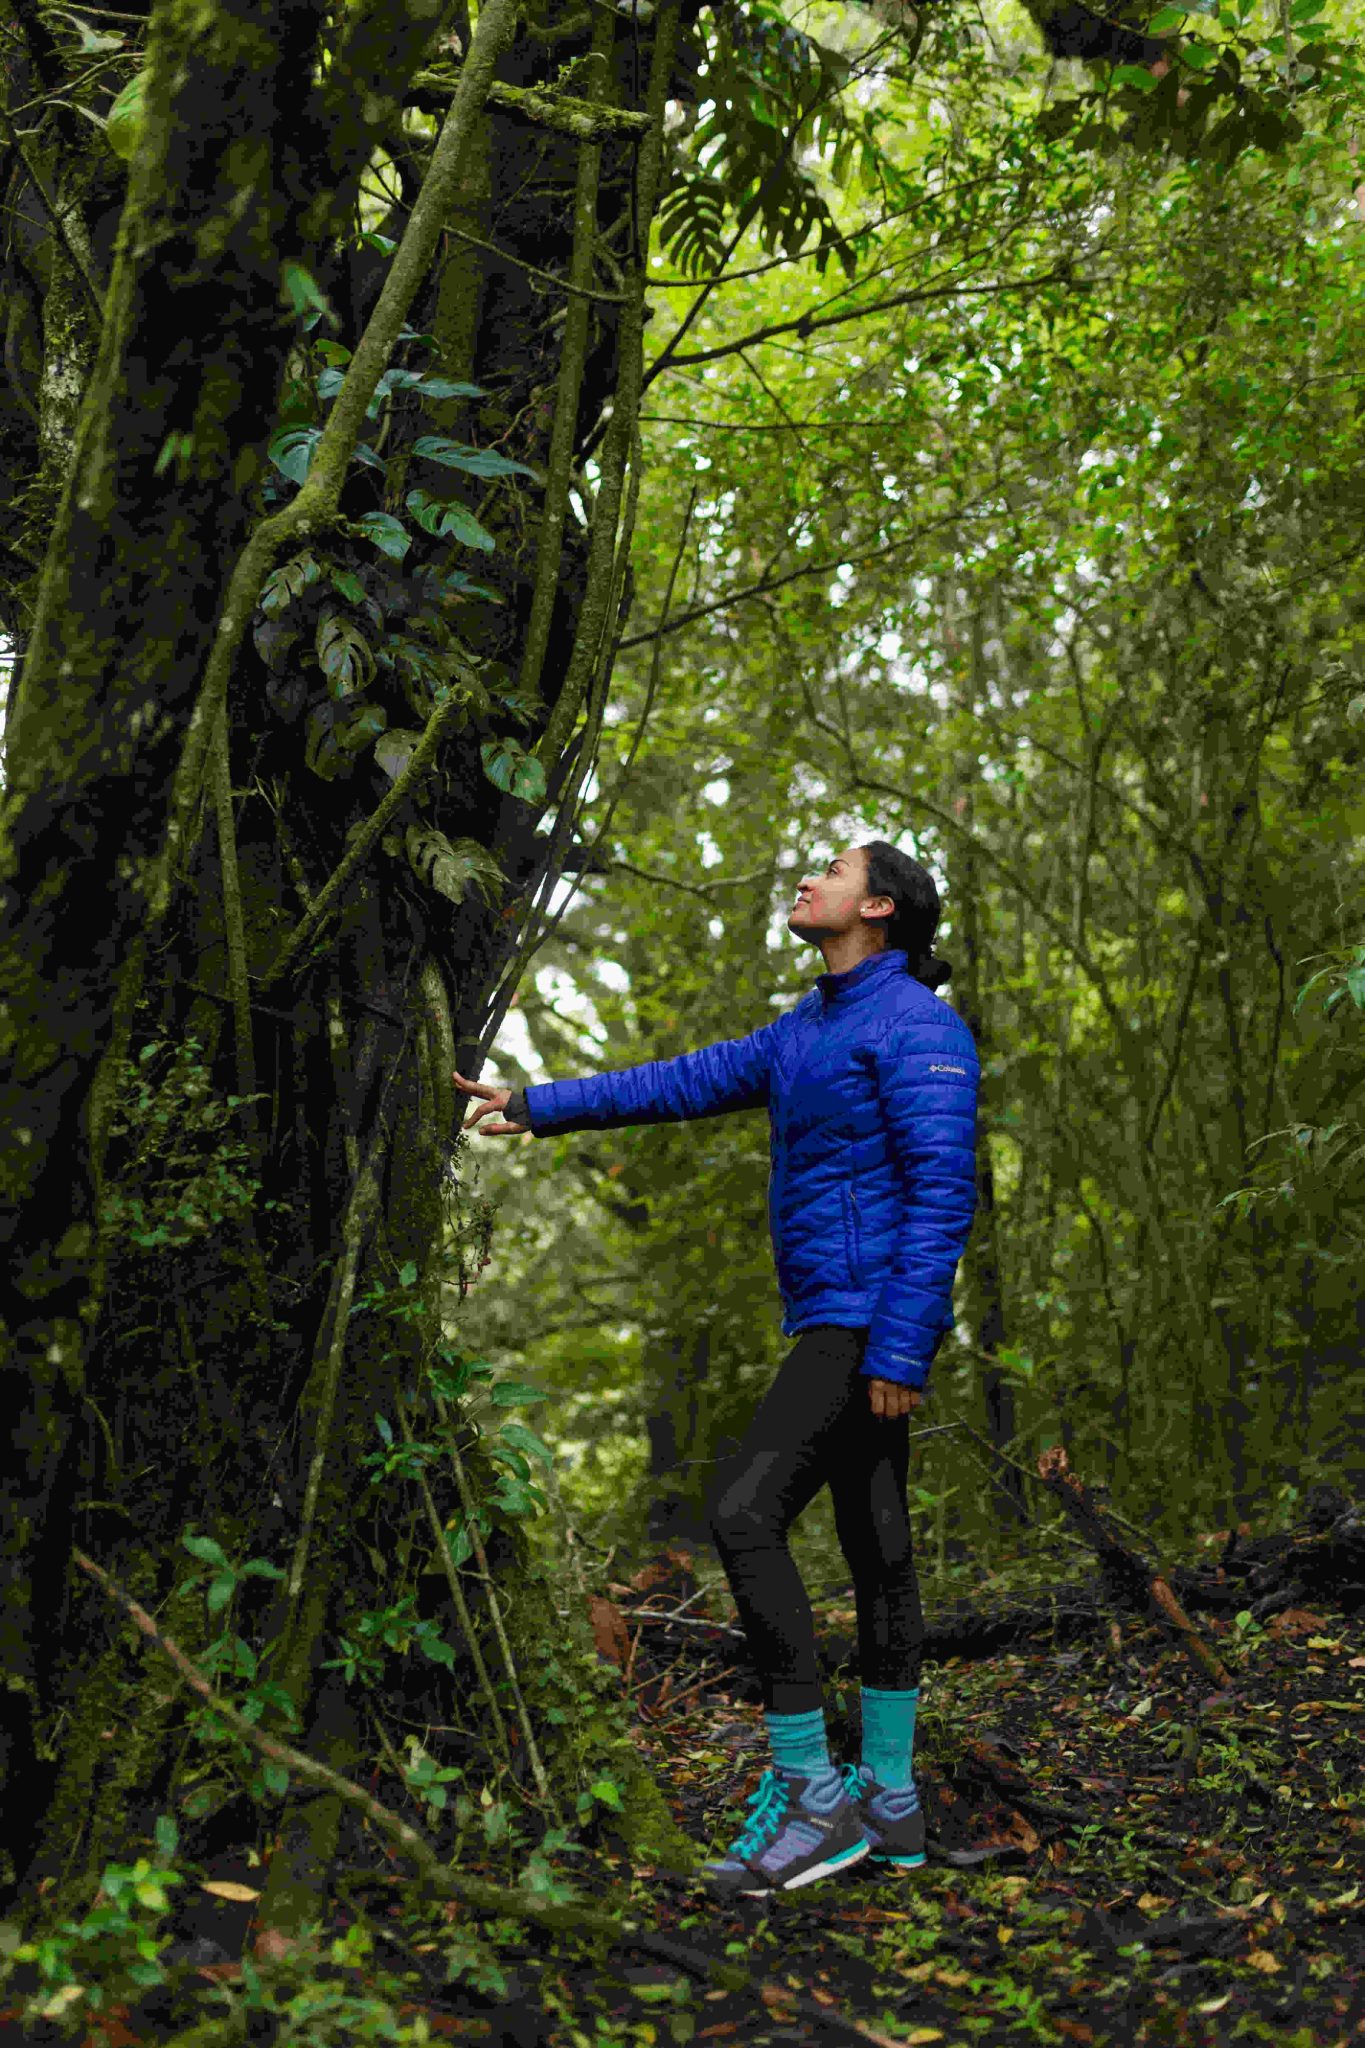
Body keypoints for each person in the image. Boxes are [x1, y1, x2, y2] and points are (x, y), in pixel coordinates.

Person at [453, 839, 979, 1896]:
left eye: (829, 869)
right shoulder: (808, 1028)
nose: (803, 878)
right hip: (839, 1317)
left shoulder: (918, 1025)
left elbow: (943, 1187)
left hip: (862, 1319)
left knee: (742, 1511)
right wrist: (535, 1101)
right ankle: (889, 1799)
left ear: (876, 905)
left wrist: (902, 1343)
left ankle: (815, 1799)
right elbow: (685, 1079)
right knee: (878, 1546)